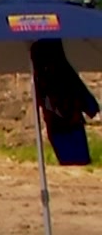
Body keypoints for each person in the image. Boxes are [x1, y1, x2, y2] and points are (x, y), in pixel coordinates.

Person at [31, 39, 98, 167]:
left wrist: (91, 106)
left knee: (75, 162)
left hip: (67, 121)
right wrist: (90, 107)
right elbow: (75, 85)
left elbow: (75, 84)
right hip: (62, 122)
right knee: (73, 161)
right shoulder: (47, 71)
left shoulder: (59, 68)